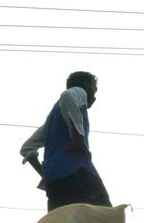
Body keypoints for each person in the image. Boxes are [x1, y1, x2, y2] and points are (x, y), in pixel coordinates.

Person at [19, 71, 112, 211]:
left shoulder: (52, 123)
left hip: (55, 185)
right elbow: (67, 95)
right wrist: (79, 139)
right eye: (94, 90)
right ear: (86, 85)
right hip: (79, 173)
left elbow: (26, 148)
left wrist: (45, 176)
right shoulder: (79, 91)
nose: (94, 97)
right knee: (105, 216)